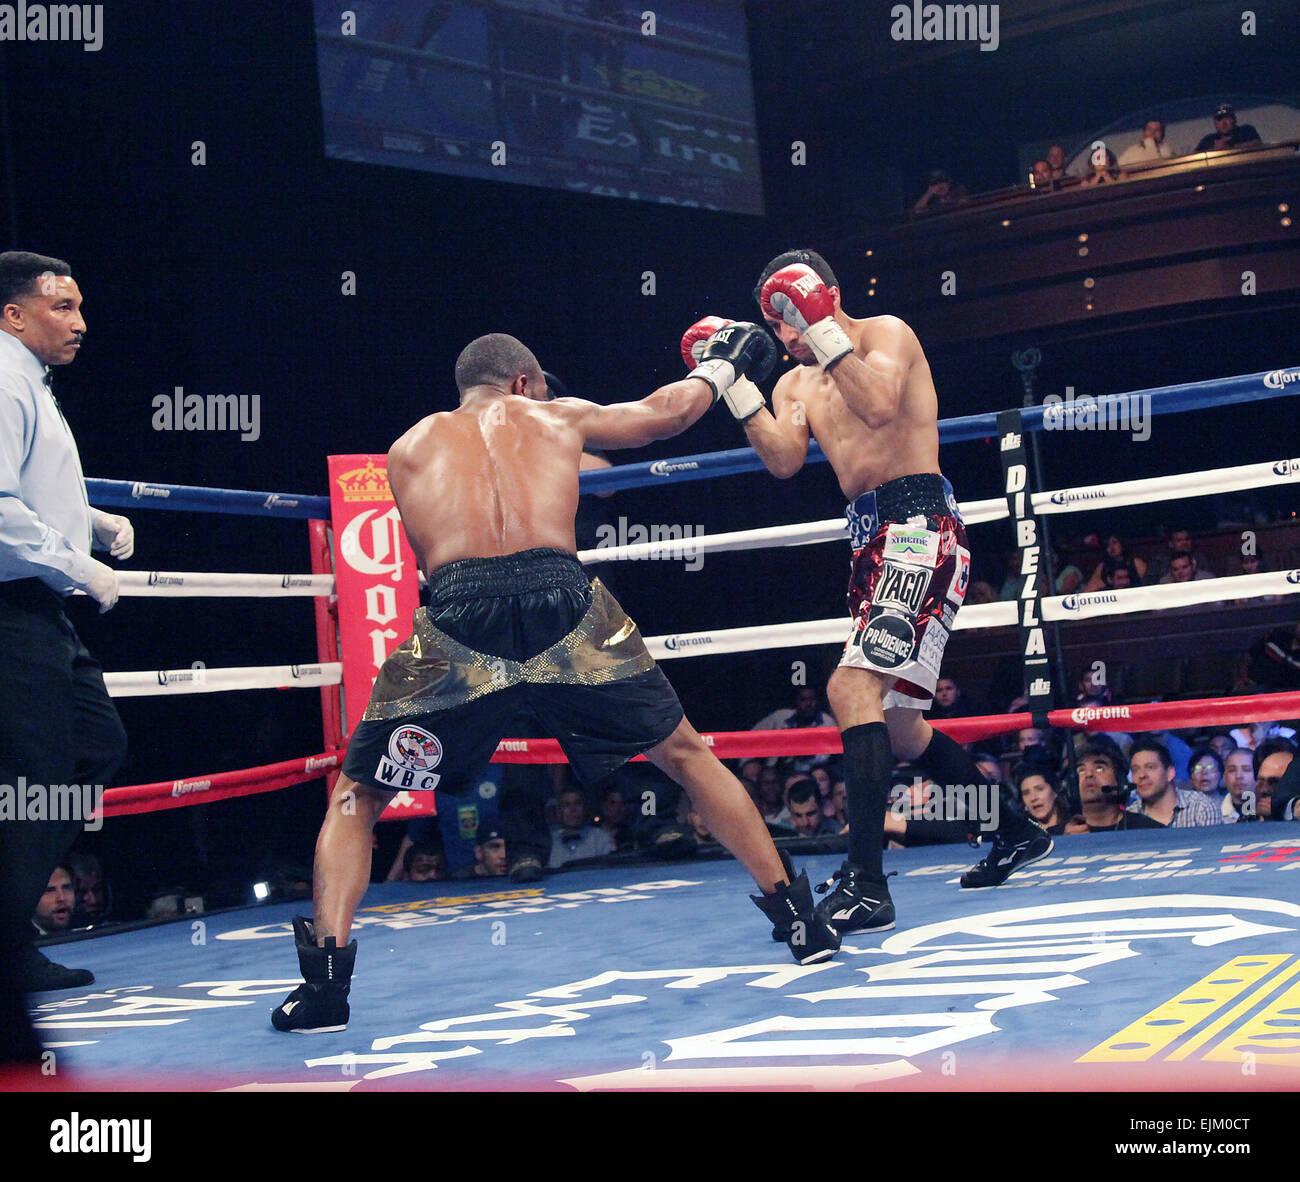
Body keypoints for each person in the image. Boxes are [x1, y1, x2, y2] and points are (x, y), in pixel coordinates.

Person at [272, 331, 839, 1032]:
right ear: (523, 383)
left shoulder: (408, 446)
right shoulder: (555, 416)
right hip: (564, 603)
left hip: (457, 613)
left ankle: (326, 986)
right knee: (686, 755)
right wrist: (721, 368)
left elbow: (431, 554)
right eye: (539, 386)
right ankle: (801, 922)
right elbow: (665, 413)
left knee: (359, 792)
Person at [710, 248, 1052, 940]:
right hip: (868, 543)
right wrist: (735, 385)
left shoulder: (886, 335)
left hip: (920, 524)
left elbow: (878, 404)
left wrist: (822, 328)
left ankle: (868, 884)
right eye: (774, 323)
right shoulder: (795, 383)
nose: (786, 333)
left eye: (791, 311)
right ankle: (1016, 829)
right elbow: (781, 460)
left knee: (850, 691)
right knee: (896, 725)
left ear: (826, 294)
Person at [0, 252, 133, 1058]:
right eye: (61, 306)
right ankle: (7, 948)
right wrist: (79, 563)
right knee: (37, 779)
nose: (79, 321)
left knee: (92, 747)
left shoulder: (30, 383)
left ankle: (8, 936)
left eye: (81, 305)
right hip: (10, 608)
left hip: (34, 607)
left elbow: (35, 490)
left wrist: (93, 526)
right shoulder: (2, 378)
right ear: (13, 314)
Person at [1065, 740, 1162, 833]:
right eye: (1081, 770)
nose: (1089, 774)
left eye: (1099, 768)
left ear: (1119, 780)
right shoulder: (1055, 838)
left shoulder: (1150, 830)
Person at [1126, 738, 1221, 827]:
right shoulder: (1130, 816)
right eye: (1135, 770)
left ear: (1170, 773)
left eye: (1150, 767)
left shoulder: (1201, 807)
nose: (1141, 775)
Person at [1194, 103, 1262, 153]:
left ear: (1234, 119)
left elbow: (1257, 144)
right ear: (1215, 123)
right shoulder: (1208, 140)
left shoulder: (1246, 131)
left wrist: (1229, 147)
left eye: (1227, 118)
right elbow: (1196, 155)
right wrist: (1214, 150)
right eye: (1220, 119)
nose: (1224, 123)